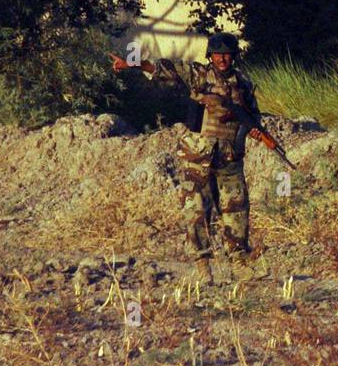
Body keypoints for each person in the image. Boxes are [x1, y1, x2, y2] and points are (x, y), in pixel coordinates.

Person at [110, 32, 258, 285]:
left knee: (236, 208)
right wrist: (131, 63)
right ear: (210, 56)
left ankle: (240, 263)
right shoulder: (198, 74)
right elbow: (162, 68)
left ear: (233, 56)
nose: (222, 59)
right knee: (197, 210)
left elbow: (253, 116)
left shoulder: (243, 83)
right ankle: (203, 267)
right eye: (218, 54)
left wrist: (252, 129)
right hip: (197, 156)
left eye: (227, 54)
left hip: (229, 156)